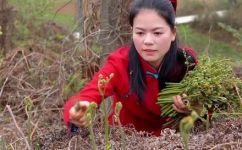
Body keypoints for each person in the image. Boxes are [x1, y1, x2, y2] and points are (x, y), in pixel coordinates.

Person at [63, 0, 197, 136]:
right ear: (132, 32)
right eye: (140, 33)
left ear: (173, 33)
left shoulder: (187, 62)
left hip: (174, 141)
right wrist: (79, 111)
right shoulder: (120, 62)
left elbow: (209, 108)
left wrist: (194, 107)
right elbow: (89, 94)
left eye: (157, 33)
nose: (148, 41)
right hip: (123, 139)